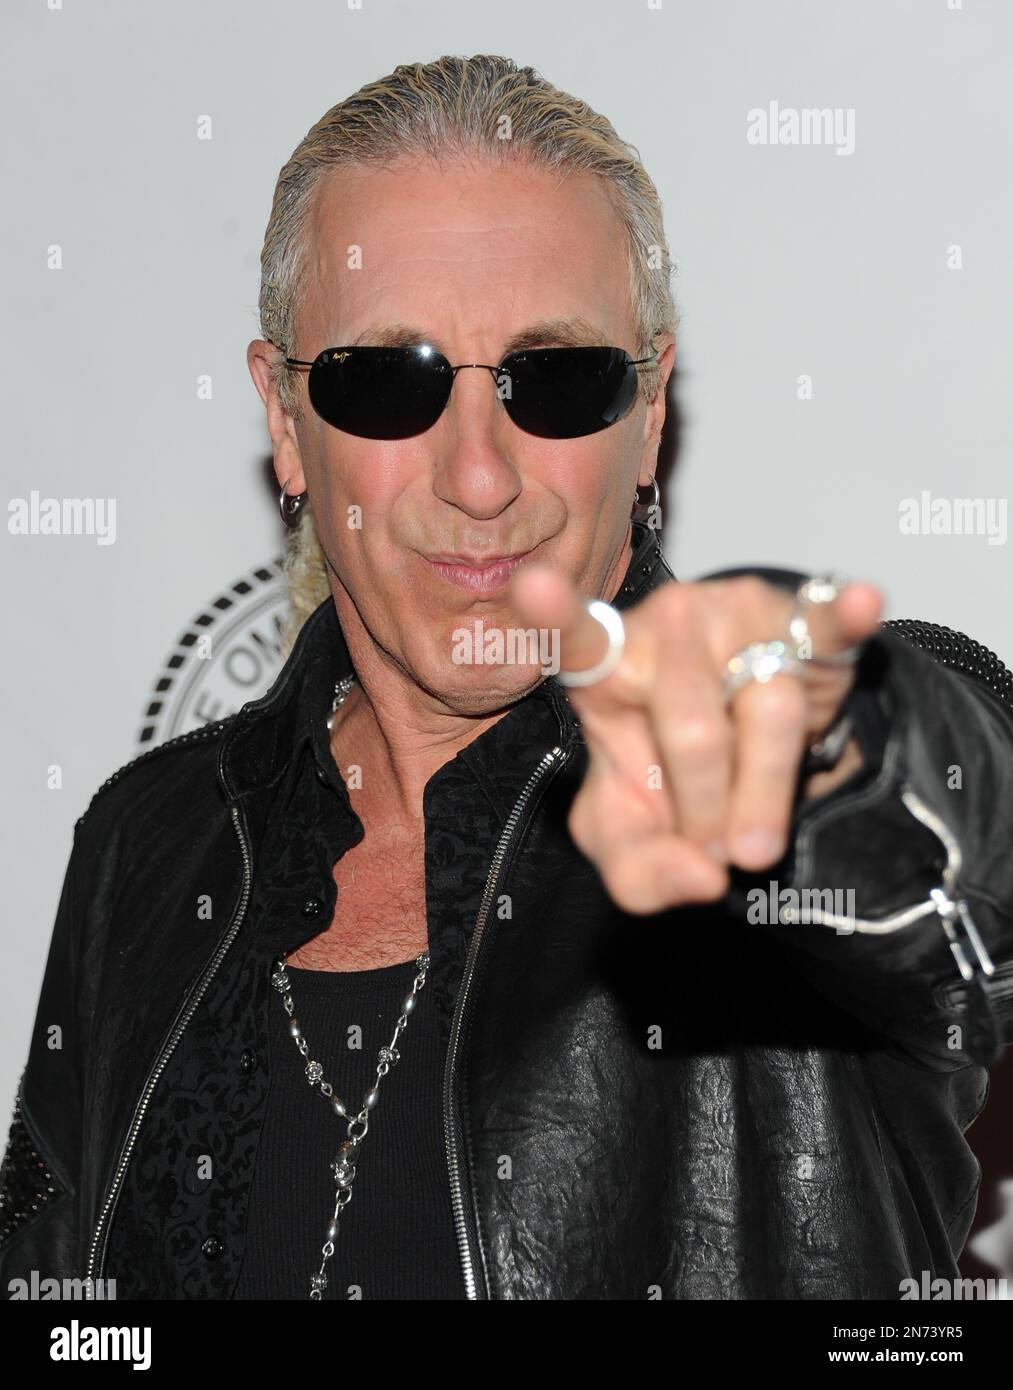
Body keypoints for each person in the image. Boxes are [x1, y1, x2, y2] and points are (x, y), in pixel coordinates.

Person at [2, 54, 1011, 1302]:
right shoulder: (142, 847)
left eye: (558, 379)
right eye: (389, 383)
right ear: (283, 421)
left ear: (646, 417)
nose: (477, 479)